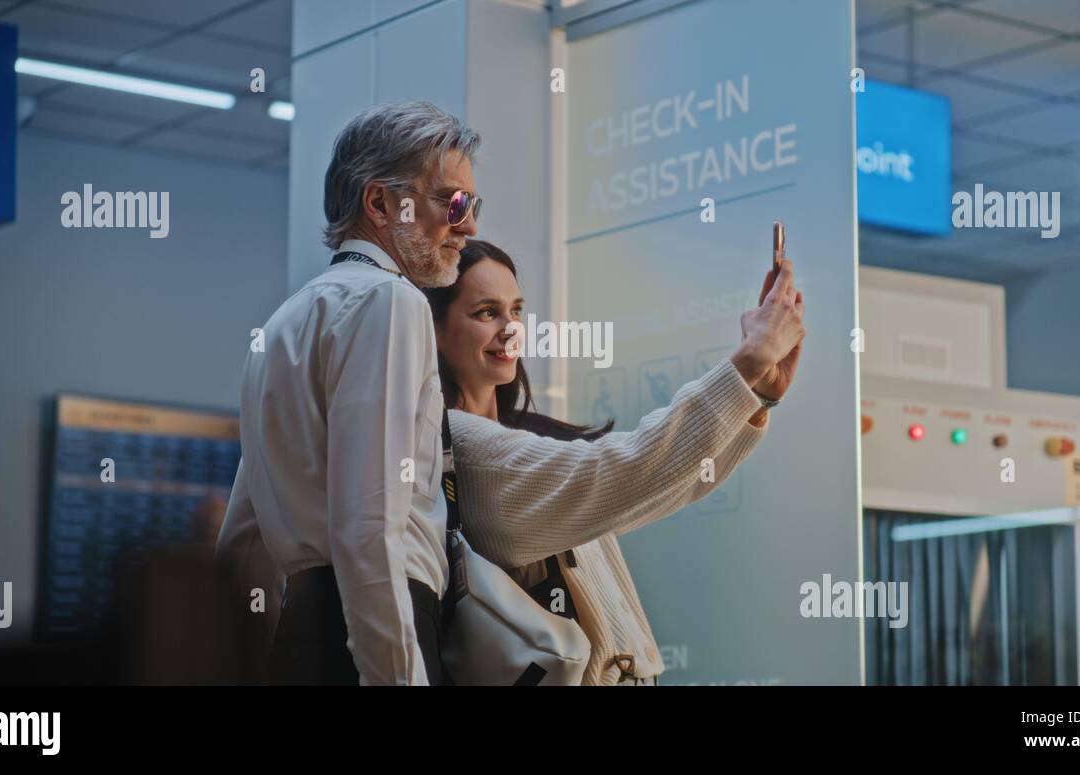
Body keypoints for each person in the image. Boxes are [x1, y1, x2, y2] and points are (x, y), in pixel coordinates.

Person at [423, 239, 804, 685]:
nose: (510, 329)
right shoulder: (465, 447)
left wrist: (758, 394)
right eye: (486, 313)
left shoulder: (525, 437)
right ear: (435, 330)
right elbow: (630, 468)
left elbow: (663, 482)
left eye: (516, 310)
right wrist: (746, 365)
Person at [215, 101, 482, 685]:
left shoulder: (282, 323)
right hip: (374, 637)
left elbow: (241, 542)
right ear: (380, 203)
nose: (468, 226)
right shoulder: (391, 301)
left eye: (471, 205)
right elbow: (368, 526)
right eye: (451, 202)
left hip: (302, 639)